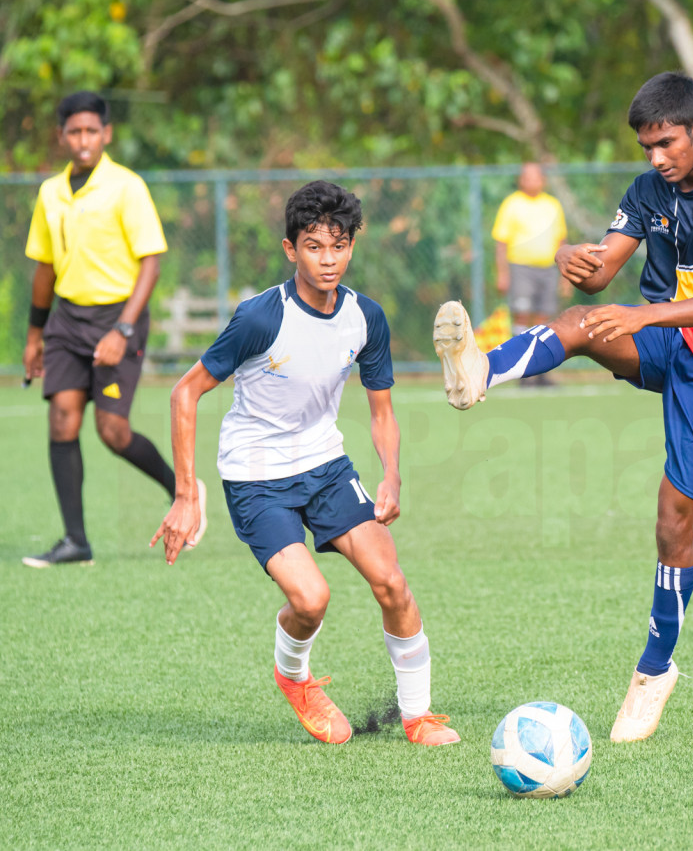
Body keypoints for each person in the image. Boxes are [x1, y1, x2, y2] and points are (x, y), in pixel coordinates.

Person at [433, 72, 693, 741]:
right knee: (582, 318)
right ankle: (479, 373)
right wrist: (573, 259)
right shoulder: (648, 191)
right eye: (647, 146)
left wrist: (642, 316)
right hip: (660, 337)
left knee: (672, 522)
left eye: (667, 143)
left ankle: (654, 673)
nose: (656, 158)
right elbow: (602, 273)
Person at [152, 181, 460, 746]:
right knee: (311, 599)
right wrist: (184, 494)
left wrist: (390, 474)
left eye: (339, 245)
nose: (328, 259)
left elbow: (382, 412)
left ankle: (418, 716)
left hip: (325, 466)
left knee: (392, 583)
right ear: (291, 249)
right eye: (314, 246)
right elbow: (184, 393)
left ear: (352, 246)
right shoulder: (259, 318)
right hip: (255, 476)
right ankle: (294, 676)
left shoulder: (366, 318)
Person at [22, 91, 204, 568]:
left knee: (112, 431)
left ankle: (183, 491)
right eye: (74, 131)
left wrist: (122, 329)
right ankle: (75, 542)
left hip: (117, 316)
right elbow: (43, 269)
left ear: (106, 134)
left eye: (91, 131)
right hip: (66, 318)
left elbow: (151, 263)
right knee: (62, 418)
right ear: (61, 136)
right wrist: (34, 336)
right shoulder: (50, 194)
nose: (83, 140)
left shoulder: (127, 187)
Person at [491, 162, 568, 385]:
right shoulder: (512, 204)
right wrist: (502, 273)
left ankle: (542, 370)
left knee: (546, 319)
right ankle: (520, 371)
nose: (531, 180)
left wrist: (565, 277)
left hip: (548, 269)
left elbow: (561, 240)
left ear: (542, 180)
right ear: (521, 180)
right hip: (521, 268)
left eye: (536, 176)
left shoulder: (552, 205)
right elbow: (501, 242)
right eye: (527, 176)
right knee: (522, 316)